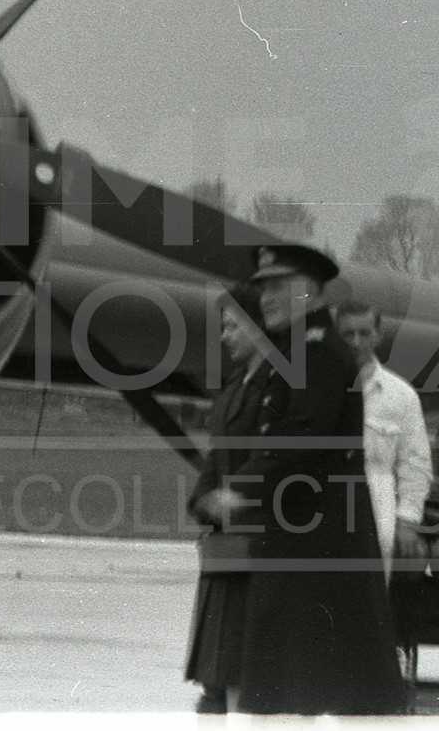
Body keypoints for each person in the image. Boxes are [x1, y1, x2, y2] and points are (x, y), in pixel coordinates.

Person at [201, 245, 403, 715]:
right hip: (304, 541)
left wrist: (238, 490)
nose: (266, 297)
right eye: (263, 287)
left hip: (315, 545)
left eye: (278, 286)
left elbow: (300, 437)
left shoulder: (315, 354)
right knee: (299, 689)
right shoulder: (296, 351)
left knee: (296, 690)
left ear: (310, 291)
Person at [336, 302, 433, 708]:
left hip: (378, 506)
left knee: (371, 610)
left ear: (378, 335)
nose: (357, 342)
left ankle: (366, 699)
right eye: (348, 334)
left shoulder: (399, 395)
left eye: (364, 333)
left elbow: (415, 462)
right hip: (324, 505)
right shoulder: (316, 388)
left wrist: (408, 519)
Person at [184, 295, 264, 712]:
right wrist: (202, 499)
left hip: (257, 544)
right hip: (226, 546)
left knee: (242, 672)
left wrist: (236, 497)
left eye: (233, 327)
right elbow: (218, 454)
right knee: (216, 675)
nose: (224, 336)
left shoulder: (276, 389)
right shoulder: (236, 387)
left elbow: (273, 456)